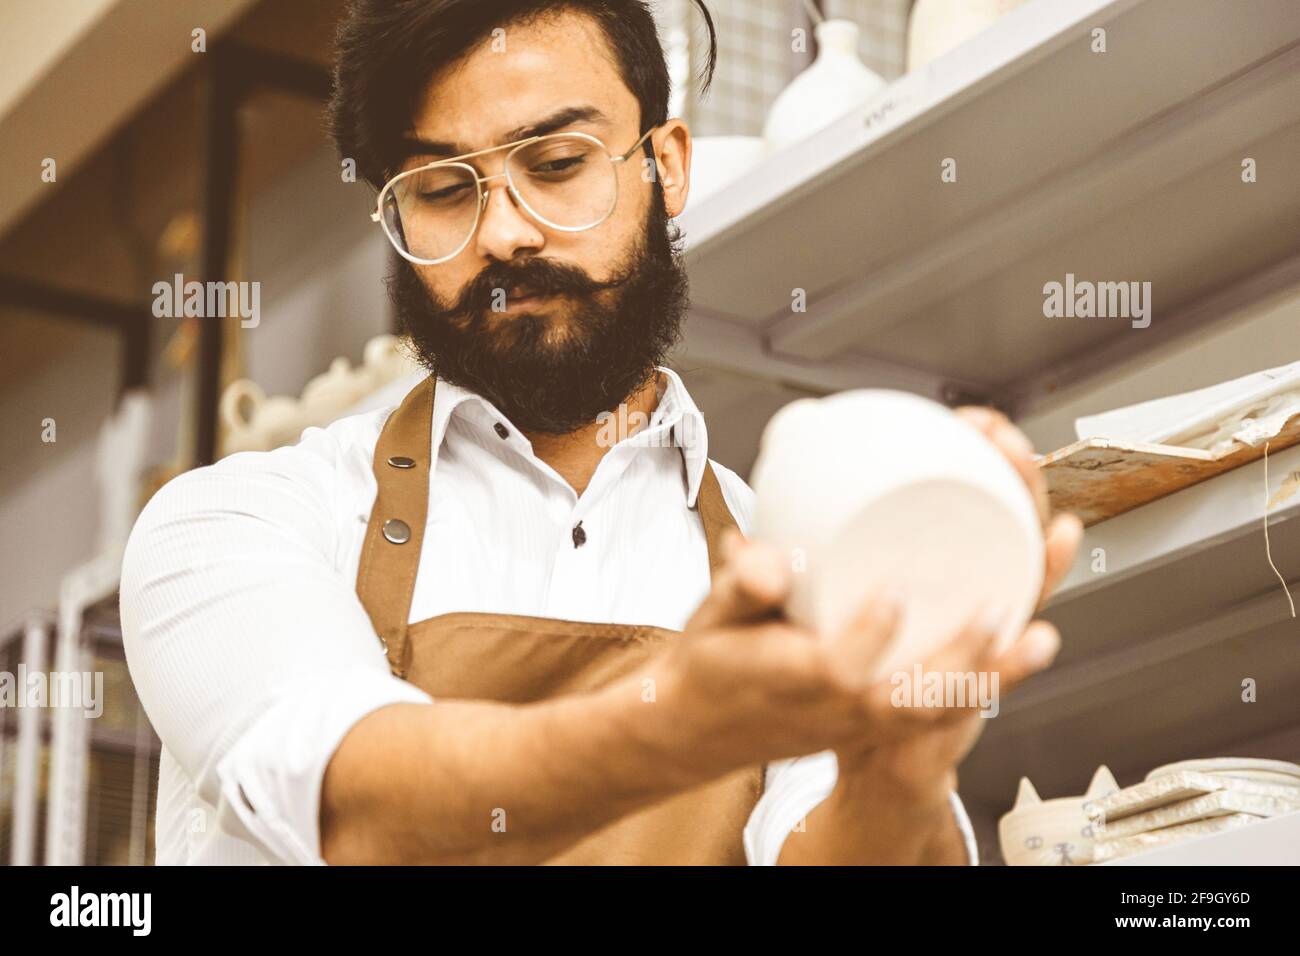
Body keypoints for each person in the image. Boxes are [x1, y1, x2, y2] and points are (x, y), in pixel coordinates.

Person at [120, 0, 1083, 865]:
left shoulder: (775, 551)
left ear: (665, 168)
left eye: (555, 164)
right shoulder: (233, 522)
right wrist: (684, 725)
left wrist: (897, 776)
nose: (504, 233)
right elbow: (359, 811)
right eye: (444, 190)